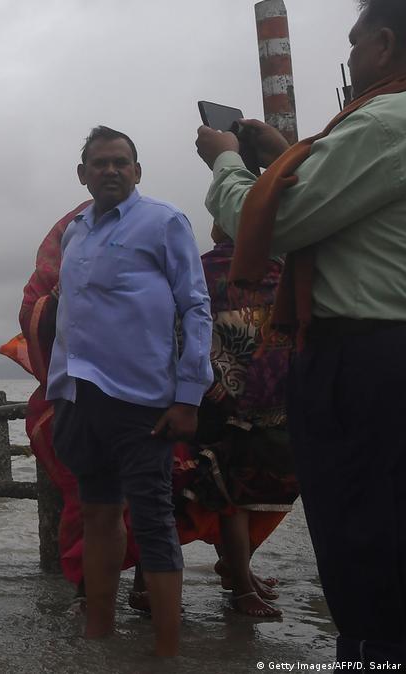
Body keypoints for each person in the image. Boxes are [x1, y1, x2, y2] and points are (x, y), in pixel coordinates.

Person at [196, 1, 406, 662]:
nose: (349, 55)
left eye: (354, 43)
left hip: (365, 355)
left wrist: (226, 164)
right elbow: (342, 209)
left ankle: (372, 655)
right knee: (379, 529)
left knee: (362, 537)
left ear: (383, 44)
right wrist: (285, 157)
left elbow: (277, 224)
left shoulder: (384, 121)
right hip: (374, 351)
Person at [49, 127, 212, 657]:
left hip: (142, 399)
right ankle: (99, 634)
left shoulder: (164, 222)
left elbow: (196, 307)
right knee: (97, 514)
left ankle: (166, 653)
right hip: (79, 396)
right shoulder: (74, 232)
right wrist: (58, 390)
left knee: (152, 520)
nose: (111, 171)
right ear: (83, 174)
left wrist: (189, 396)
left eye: (121, 162)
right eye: (100, 163)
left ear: (137, 171)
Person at [130, 225, 297, 619]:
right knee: (195, 490)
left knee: (241, 490)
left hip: (238, 398)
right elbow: (176, 326)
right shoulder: (203, 270)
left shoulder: (279, 270)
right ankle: (226, 584)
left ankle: (235, 572)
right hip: (208, 399)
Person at [0, 200, 145, 600]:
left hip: (140, 394)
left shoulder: (151, 240)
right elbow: (33, 313)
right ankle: (89, 590)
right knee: (89, 501)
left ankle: (146, 582)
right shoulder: (59, 259)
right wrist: (62, 297)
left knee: (155, 493)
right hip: (72, 397)